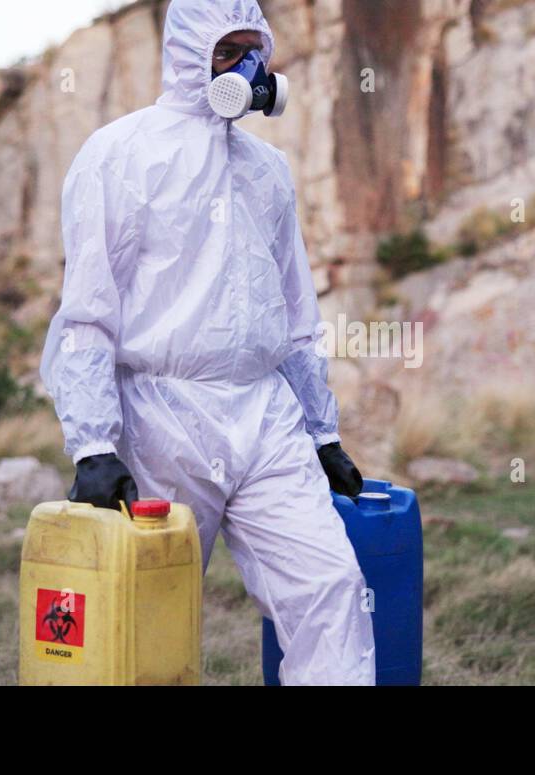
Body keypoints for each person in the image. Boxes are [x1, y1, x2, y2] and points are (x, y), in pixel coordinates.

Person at [39, 0, 375, 685]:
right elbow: (87, 314)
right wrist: (93, 444)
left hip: (265, 417)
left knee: (330, 586)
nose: (249, 70)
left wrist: (322, 431)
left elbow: (296, 313)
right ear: (192, 55)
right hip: (161, 420)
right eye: (231, 52)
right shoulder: (120, 153)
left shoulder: (267, 170)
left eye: (257, 51)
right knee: (146, 618)